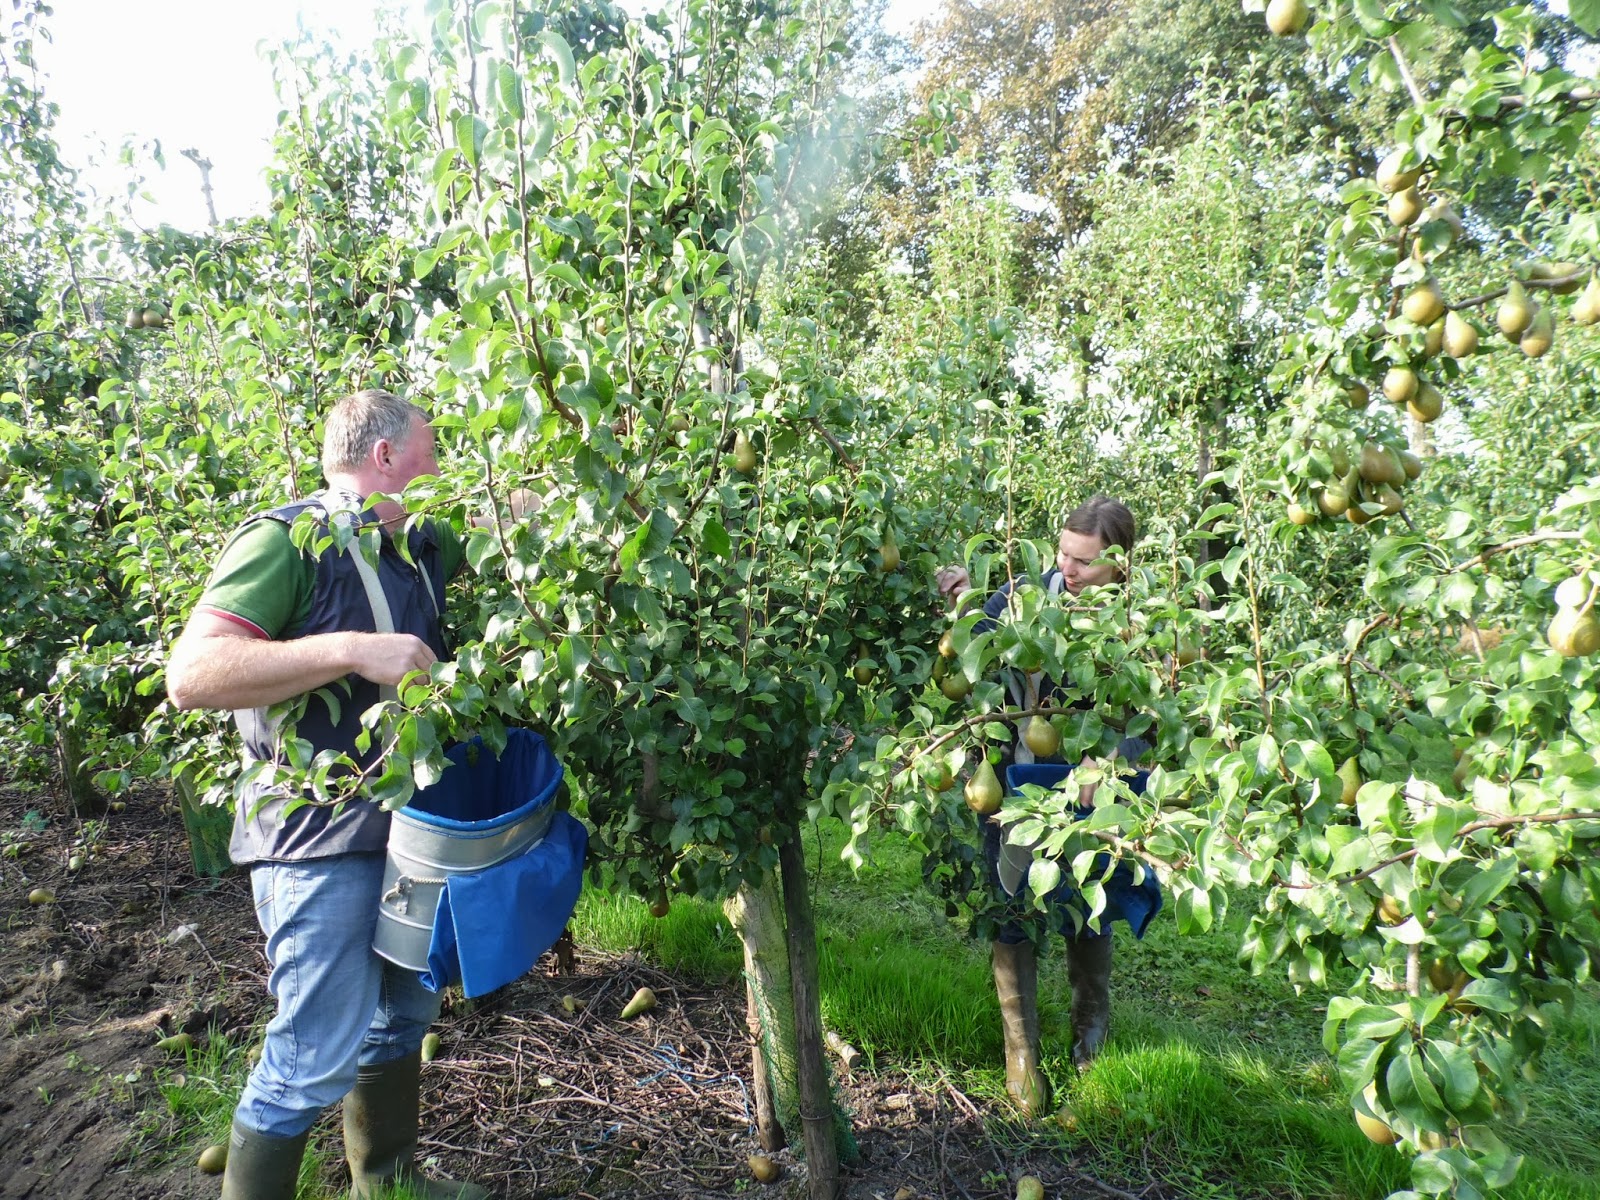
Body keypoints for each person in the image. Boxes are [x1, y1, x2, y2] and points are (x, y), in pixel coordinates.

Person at [167, 389, 519, 1200]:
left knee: (402, 1014)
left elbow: (517, 506)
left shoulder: (417, 547)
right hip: (315, 839)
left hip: (408, 833)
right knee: (311, 1052)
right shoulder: (287, 542)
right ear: (387, 457)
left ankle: (388, 1180)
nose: (445, 471)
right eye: (433, 453)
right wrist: (356, 649)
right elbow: (192, 675)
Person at [936, 495, 1153, 1071]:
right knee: (1012, 903)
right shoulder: (1026, 599)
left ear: (1121, 565)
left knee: (1092, 902)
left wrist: (1108, 768)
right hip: (1016, 785)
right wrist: (968, 597)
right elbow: (980, 646)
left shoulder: (1139, 624)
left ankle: (1089, 1039)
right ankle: (1021, 1052)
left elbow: (1152, 718)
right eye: (1062, 554)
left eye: (1084, 562)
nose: (1068, 570)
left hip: (1096, 794)